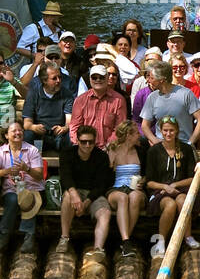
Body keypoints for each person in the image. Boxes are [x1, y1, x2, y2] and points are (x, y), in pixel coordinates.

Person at [145, 115, 200, 256]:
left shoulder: (186, 149)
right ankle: (161, 240)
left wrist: (175, 184)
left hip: (181, 188)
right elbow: (149, 181)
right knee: (170, 205)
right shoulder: (154, 151)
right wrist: (165, 187)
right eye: (165, 130)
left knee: (183, 201)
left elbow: (192, 178)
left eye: (171, 130)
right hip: (160, 191)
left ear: (177, 131)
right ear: (161, 131)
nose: (168, 134)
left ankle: (188, 236)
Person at [0, 120, 44, 254]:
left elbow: (39, 175)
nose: (18, 133)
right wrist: (6, 171)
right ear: (6, 135)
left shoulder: (32, 150)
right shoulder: (1, 151)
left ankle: (29, 236)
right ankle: (4, 236)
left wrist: (27, 168)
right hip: (12, 189)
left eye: (20, 130)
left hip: (32, 188)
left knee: (28, 198)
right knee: (13, 200)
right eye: (14, 131)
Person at [58, 124, 112, 252]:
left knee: (105, 213)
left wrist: (87, 202)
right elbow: (65, 177)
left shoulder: (101, 157)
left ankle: (98, 249)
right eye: (83, 142)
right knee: (67, 197)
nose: (87, 145)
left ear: (95, 142)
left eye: (91, 142)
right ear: (77, 141)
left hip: (94, 194)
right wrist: (74, 194)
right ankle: (64, 237)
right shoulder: (67, 154)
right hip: (73, 190)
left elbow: (101, 184)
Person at [139, 61, 200, 148]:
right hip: (162, 148)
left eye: (151, 78)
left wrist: (190, 144)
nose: (148, 80)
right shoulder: (152, 97)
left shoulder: (186, 94)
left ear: (161, 79)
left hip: (183, 146)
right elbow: (144, 126)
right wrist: (156, 142)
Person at [106, 120, 147, 252]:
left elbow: (148, 173)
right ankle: (126, 240)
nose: (139, 136)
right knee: (123, 197)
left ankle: (125, 239)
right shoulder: (113, 150)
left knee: (134, 196)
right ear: (128, 135)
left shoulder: (141, 150)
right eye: (136, 133)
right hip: (117, 188)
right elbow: (105, 175)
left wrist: (143, 181)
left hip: (135, 188)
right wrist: (111, 163)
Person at [69, 63, 127, 147]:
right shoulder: (80, 100)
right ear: (90, 79)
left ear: (107, 79)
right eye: (94, 77)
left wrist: (108, 146)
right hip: (84, 147)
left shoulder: (119, 100)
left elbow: (119, 128)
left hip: (111, 148)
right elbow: (74, 127)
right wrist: (81, 144)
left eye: (101, 77)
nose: (98, 80)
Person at [22, 60, 73, 153]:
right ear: (44, 80)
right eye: (54, 78)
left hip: (58, 135)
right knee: (28, 135)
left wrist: (64, 128)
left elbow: (69, 123)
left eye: (60, 77)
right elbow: (27, 124)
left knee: (71, 137)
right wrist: (34, 127)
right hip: (39, 136)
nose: (59, 81)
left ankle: (65, 164)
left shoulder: (67, 94)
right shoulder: (33, 93)